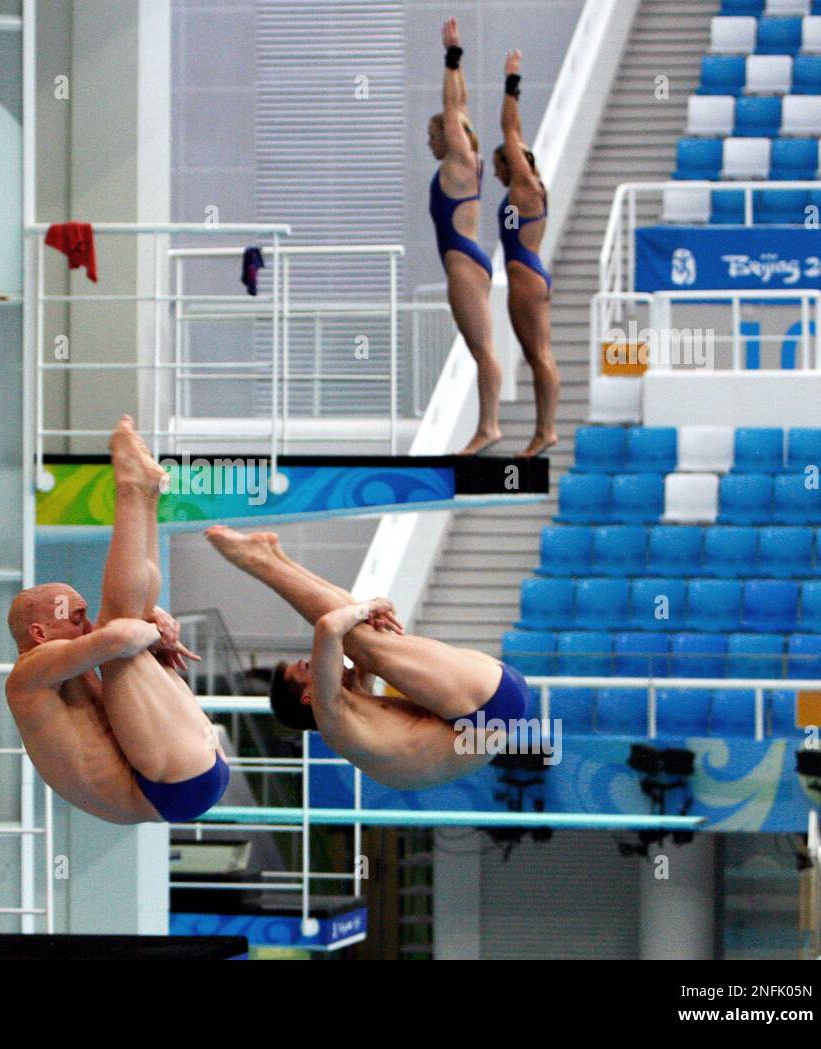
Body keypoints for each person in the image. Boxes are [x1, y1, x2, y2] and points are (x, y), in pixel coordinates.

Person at [5, 417, 229, 823]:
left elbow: (124, 635)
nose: (85, 622)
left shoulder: (70, 659)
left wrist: (154, 630)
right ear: (38, 632)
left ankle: (142, 493)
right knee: (121, 627)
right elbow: (118, 636)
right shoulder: (28, 676)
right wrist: (152, 629)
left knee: (128, 622)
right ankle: (132, 489)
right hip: (168, 787)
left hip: (182, 770)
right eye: (73, 617)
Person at [206, 526, 531, 789]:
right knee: (359, 638)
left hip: (488, 712)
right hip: (484, 713)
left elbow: (350, 629)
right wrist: (370, 606)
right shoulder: (334, 720)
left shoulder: (353, 707)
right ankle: (257, 562)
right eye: (304, 670)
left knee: (363, 635)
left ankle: (275, 559)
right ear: (308, 696)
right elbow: (329, 626)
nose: (310, 662)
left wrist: (368, 613)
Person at [429, 16, 501, 456]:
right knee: (481, 349)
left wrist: (452, 54)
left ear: (448, 135)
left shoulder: (458, 156)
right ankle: (487, 425)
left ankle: (489, 426)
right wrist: (456, 65)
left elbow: (454, 109)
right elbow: (462, 108)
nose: (428, 143)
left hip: (464, 264)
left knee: (483, 350)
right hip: (469, 259)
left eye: (430, 135)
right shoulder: (467, 155)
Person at [495, 49, 560, 458]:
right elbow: (515, 133)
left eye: (502, 166)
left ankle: (545, 431)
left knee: (538, 356)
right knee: (537, 354)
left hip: (526, 275)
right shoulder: (528, 187)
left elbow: (508, 128)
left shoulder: (525, 186)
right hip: (530, 273)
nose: (497, 173)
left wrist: (511, 80)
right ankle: (544, 430)